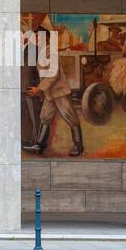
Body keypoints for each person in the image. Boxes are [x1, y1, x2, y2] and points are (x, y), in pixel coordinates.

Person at [23, 28, 83, 157]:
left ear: (46, 38)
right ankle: (39, 146)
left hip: (59, 92)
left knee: (70, 118)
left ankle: (79, 146)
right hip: (50, 93)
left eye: (39, 37)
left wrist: (39, 88)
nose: (37, 39)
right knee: (45, 118)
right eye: (36, 37)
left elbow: (53, 74)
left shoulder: (51, 52)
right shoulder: (43, 52)